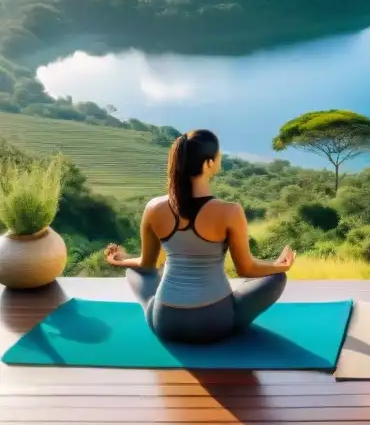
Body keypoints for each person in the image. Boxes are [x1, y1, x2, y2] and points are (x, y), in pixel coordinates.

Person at [105, 129, 295, 344]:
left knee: (136, 272)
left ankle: (148, 301)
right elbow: (246, 269)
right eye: (218, 155)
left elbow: (146, 263)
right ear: (208, 164)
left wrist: (119, 260)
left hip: (165, 322)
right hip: (217, 323)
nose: (220, 157)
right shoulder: (229, 211)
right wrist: (281, 266)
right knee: (276, 278)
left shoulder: (153, 208)